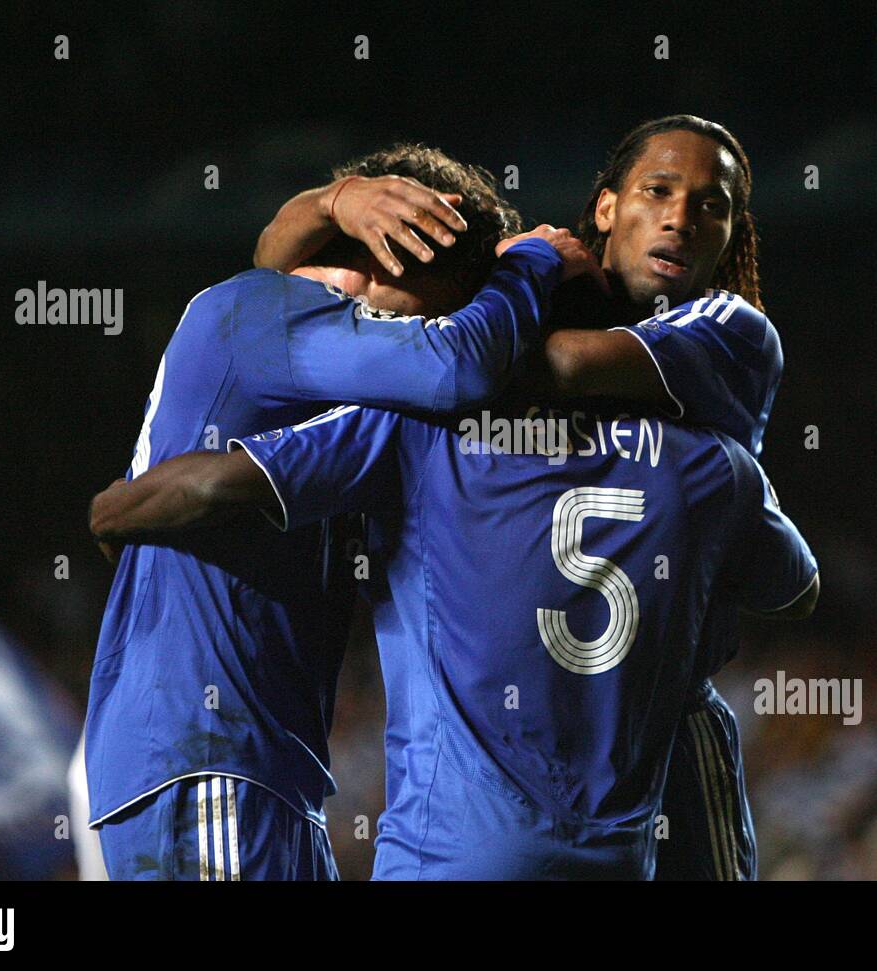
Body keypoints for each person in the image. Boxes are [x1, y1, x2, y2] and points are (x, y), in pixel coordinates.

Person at [253, 114, 797, 879]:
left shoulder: (729, 330)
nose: (681, 217)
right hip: (524, 735)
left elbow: (558, 368)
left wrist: (468, 321)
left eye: (714, 205)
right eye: (659, 190)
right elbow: (271, 285)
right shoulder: (529, 300)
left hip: (662, 720)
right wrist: (333, 203)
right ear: (606, 206)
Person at [85, 143, 598, 880]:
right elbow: (457, 364)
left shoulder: (305, 365)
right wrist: (530, 263)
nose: (445, 324)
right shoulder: (273, 313)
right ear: (395, 253)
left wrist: (330, 201)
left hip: (254, 767)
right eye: (452, 301)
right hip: (209, 759)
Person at [89, 389, 817, 878]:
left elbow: (227, 479)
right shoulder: (708, 462)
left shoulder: (421, 428)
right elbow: (795, 587)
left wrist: (116, 508)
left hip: (449, 855)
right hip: (618, 853)